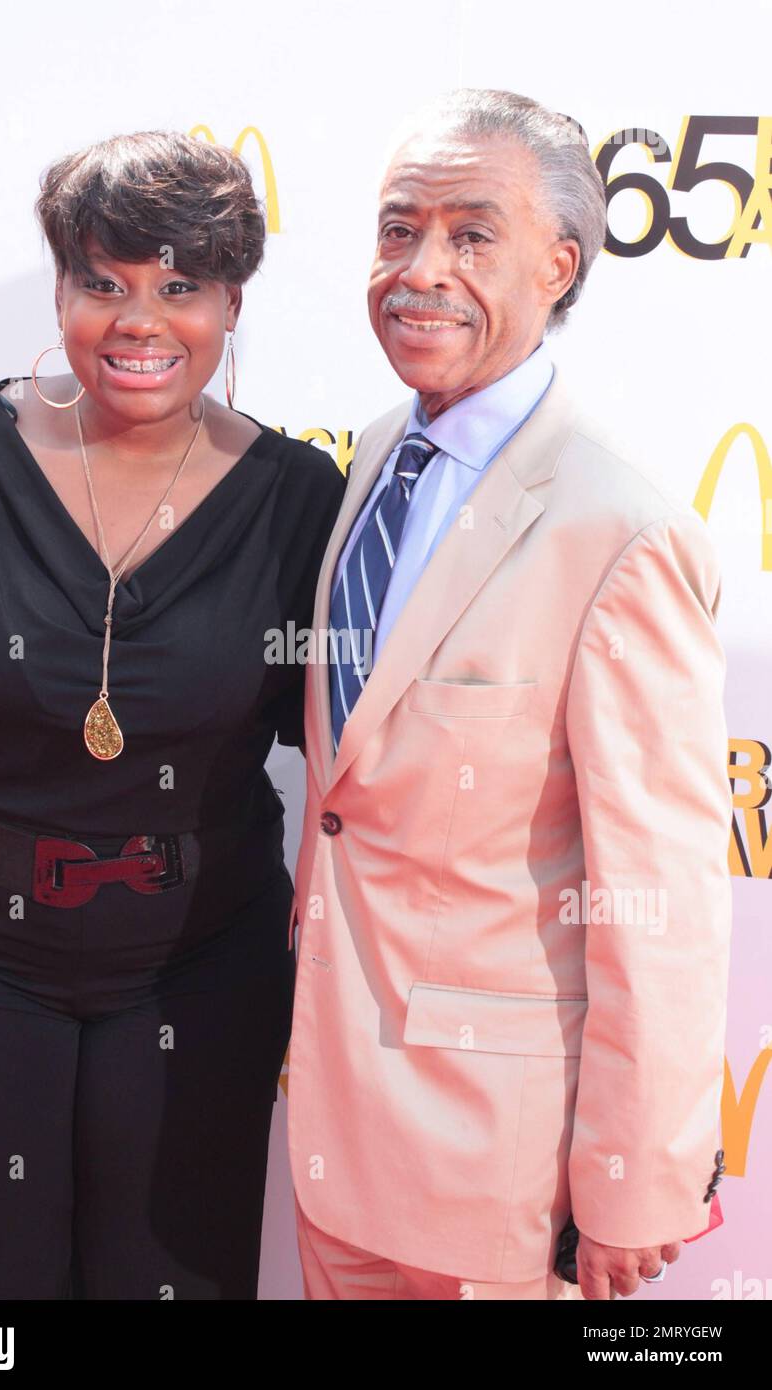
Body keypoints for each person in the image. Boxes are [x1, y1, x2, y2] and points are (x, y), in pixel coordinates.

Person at [0, 129, 344, 1299]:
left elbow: (347, 771)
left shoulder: (297, 500)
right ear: (63, 286)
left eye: (181, 286)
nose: (141, 321)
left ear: (233, 300)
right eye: (105, 283)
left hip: (201, 968)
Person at [285, 88, 731, 1301]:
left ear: (559, 264)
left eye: (471, 235)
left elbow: (665, 890)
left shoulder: (620, 529)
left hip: (500, 1172)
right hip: (335, 1136)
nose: (421, 270)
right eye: (397, 229)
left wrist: (639, 1175)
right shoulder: (377, 450)